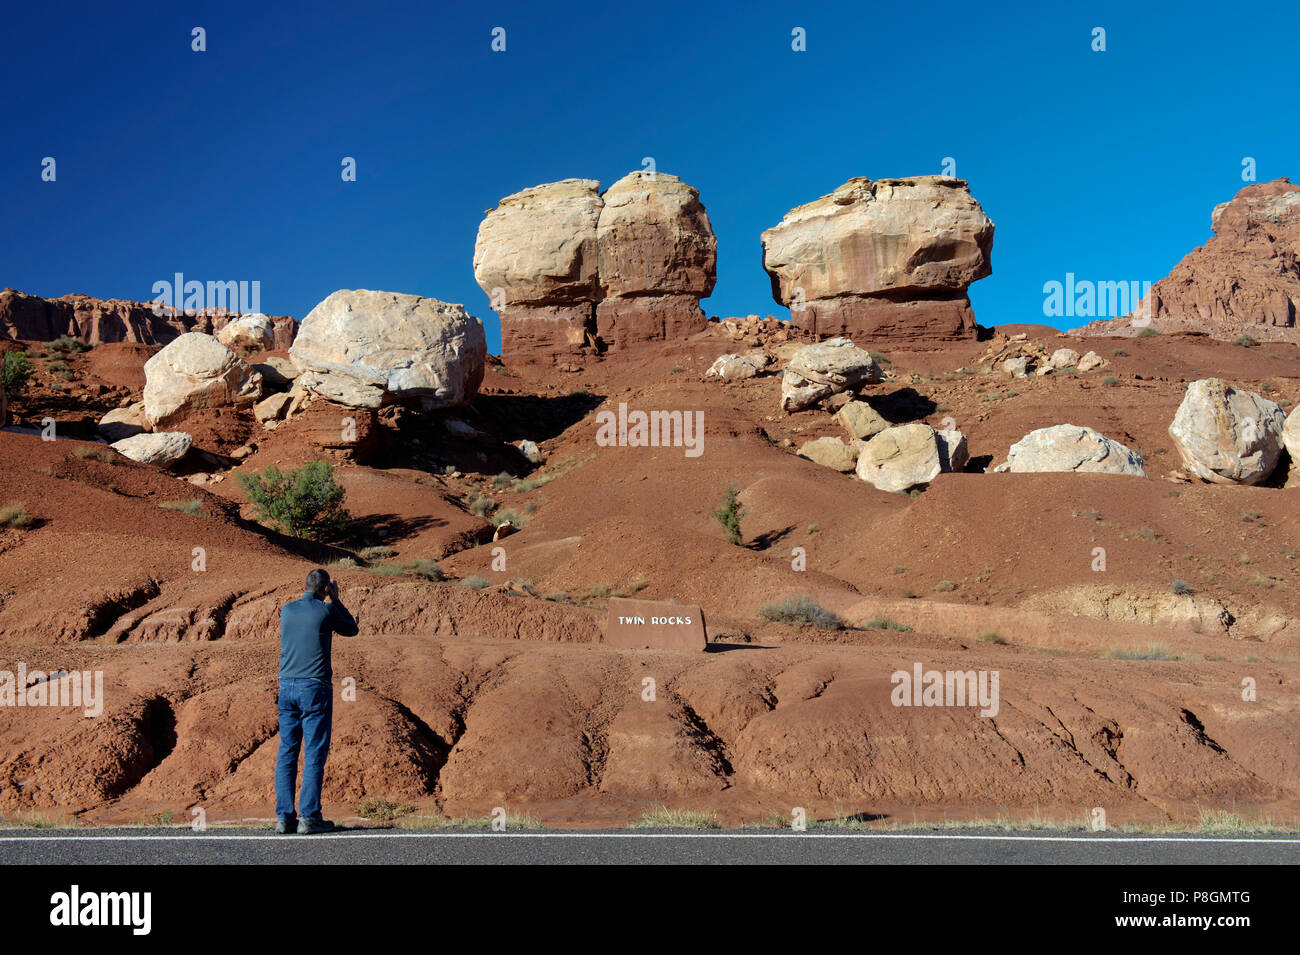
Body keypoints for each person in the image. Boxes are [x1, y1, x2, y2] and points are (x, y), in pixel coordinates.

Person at [275, 568, 359, 834]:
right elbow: (352, 629)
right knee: (314, 753)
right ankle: (309, 817)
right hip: (314, 687)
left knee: (287, 751)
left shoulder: (287, 610)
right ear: (325, 589)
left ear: (305, 585)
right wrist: (336, 599)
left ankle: (284, 818)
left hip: (286, 686)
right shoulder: (326, 610)